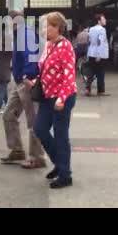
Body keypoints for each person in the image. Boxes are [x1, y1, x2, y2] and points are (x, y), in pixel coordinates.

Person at [29, 12, 77, 189]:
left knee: (61, 135)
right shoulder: (49, 45)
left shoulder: (66, 47)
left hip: (61, 98)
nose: (44, 29)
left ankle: (65, 175)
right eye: (43, 26)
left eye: (48, 26)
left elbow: (69, 76)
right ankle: (60, 163)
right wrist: (34, 81)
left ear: (58, 27)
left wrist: (62, 98)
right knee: (40, 129)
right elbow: (44, 70)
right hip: (47, 96)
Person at [1, 10, 46, 169]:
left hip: (26, 81)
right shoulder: (19, 33)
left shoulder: (24, 33)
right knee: (8, 115)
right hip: (19, 80)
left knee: (33, 121)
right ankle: (17, 150)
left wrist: (28, 75)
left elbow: (30, 54)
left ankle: (37, 157)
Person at [85, 13, 110, 96]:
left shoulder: (91, 29)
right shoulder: (102, 29)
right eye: (103, 19)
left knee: (91, 72)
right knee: (100, 72)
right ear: (99, 21)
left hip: (91, 53)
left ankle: (88, 88)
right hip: (99, 54)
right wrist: (99, 55)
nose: (105, 20)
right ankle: (101, 90)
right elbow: (100, 42)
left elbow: (88, 41)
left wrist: (88, 53)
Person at [0, 27, 12, 115]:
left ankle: (8, 104)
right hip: (5, 70)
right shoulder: (9, 49)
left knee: (3, 89)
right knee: (2, 89)